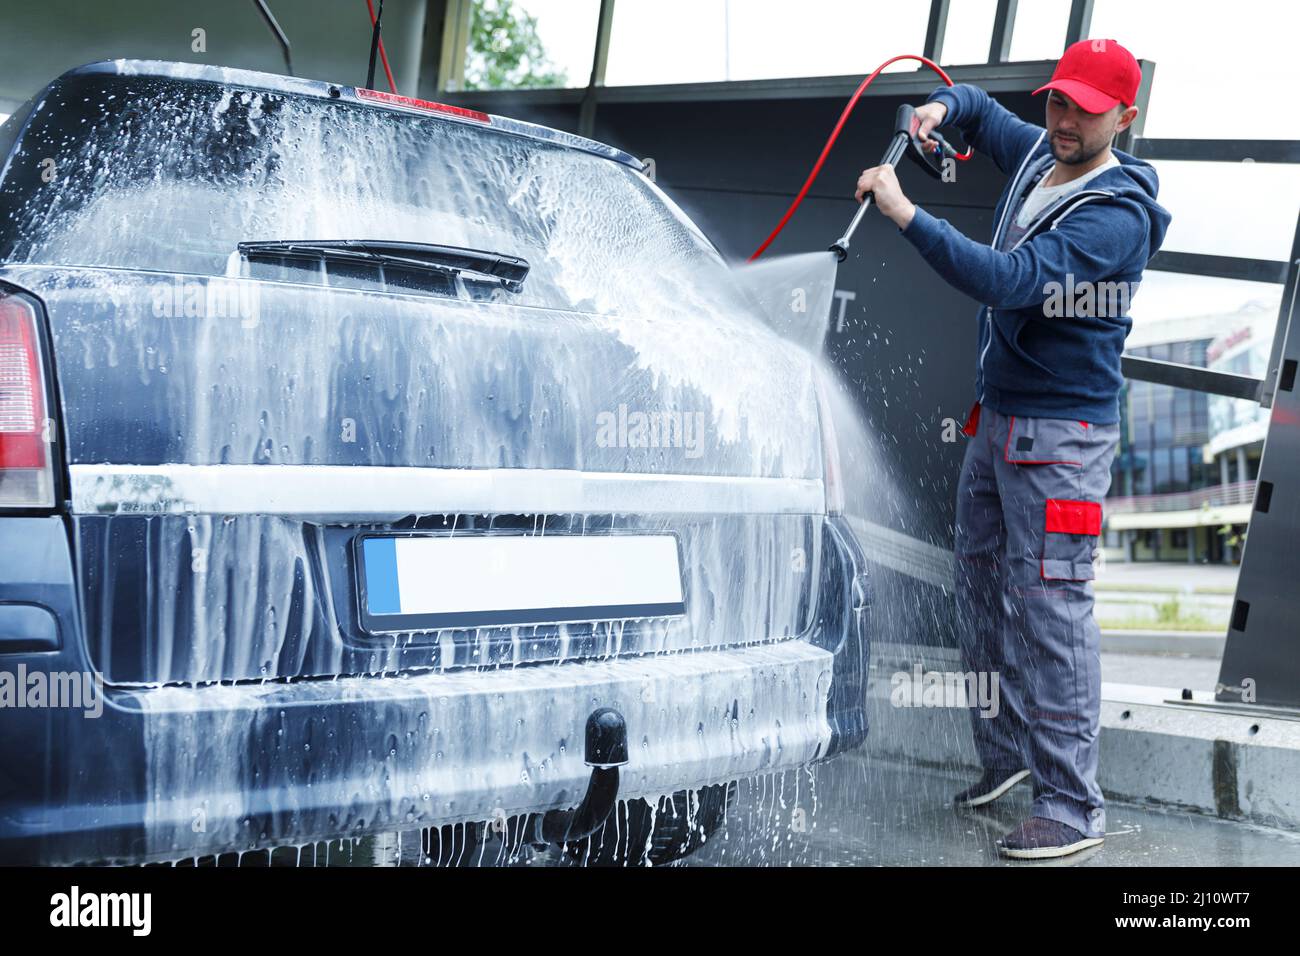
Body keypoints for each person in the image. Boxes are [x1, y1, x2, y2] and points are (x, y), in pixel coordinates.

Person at [853, 39, 1170, 859]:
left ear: (1123, 119)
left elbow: (1009, 280)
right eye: (1057, 101)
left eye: (1084, 112)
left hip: (1061, 439)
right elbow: (986, 113)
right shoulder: (1041, 149)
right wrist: (937, 109)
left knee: (1052, 612)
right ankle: (1006, 760)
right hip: (998, 419)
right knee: (981, 588)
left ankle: (1071, 807)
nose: (1062, 121)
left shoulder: (1114, 218)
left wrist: (906, 215)